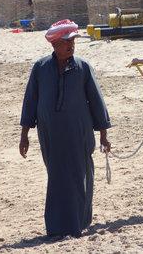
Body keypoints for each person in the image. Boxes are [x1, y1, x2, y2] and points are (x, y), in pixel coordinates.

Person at [19, 19, 111, 238]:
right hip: (50, 135)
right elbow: (30, 101)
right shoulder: (40, 68)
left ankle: (78, 223)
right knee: (57, 176)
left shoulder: (83, 67)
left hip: (79, 132)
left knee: (81, 175)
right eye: (66, 42)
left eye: (73, 42)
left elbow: (97, 102)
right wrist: (24, 135)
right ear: (54, 44)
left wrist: (104, 135)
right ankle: (57, 226)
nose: (71, 46)